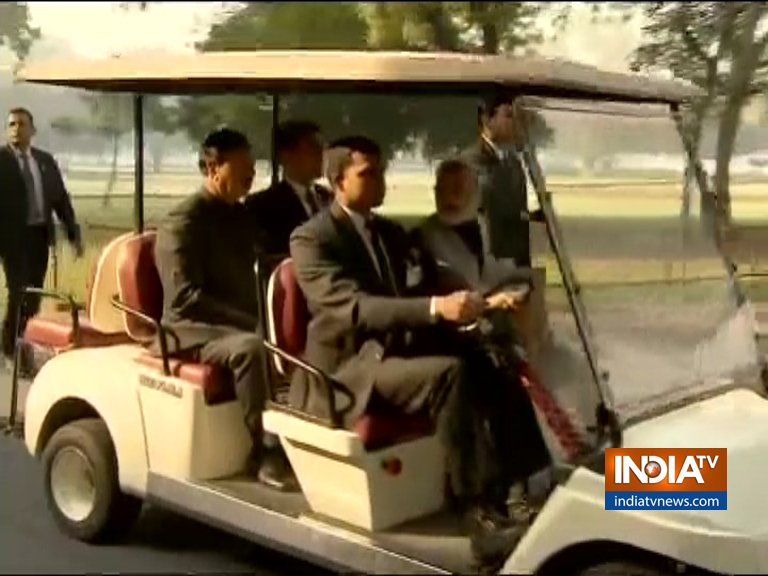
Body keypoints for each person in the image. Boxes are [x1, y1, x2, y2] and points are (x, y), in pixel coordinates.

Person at [289, 135, 551, 567]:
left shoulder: (390, 233)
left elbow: (427, 287)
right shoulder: (313, 239)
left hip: (396, 350)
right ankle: (477, 514)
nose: (379, 182)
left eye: (381, 172)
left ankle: (525, 484)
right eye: (367, 174)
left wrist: (479, 305)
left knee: (491, 356)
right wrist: (434, 308)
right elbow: (352, 308)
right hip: (352, 368)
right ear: (336, 180)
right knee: (449, 374)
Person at [153, 127, 297, 491]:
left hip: (237, 323)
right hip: (191, 329)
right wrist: (252, 322)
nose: (251, 174)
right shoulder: (184, 222)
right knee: (251, 349)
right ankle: (264, 450)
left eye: (253, 165)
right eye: (243, 166)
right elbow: (185, 298)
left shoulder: (242, 216)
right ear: (213, 168)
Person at [0, 107, 83, 366]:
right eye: (12, 124)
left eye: (22, 124)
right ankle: (10, 348)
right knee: (18, 291)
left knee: (34, 294)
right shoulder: (1, 160)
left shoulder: (44, 161)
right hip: (12, 238)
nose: (16, 129)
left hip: (39, 236)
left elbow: (60, 199)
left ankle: (25, 342)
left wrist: (73, 233)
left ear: (32, 130)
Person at [416, 157, 531, 305]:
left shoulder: (504, 230)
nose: (449, 198)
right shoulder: (422, 237)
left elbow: (526, 275)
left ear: (477, 191)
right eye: (442, 190)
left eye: (458, 189)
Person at [461, 91, 544, 268]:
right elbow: (487, 212)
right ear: (486, 120)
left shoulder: (513, 161)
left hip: (517, 264)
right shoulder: (469, 163)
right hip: (487, 267)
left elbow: (512, 211)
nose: (516, 123)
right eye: (508, 116)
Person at [244, 120, 331, 256]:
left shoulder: (329, 197)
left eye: (323, 148)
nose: (321, 155)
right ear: (286, 155)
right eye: (313, 147)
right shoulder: (263, 205)